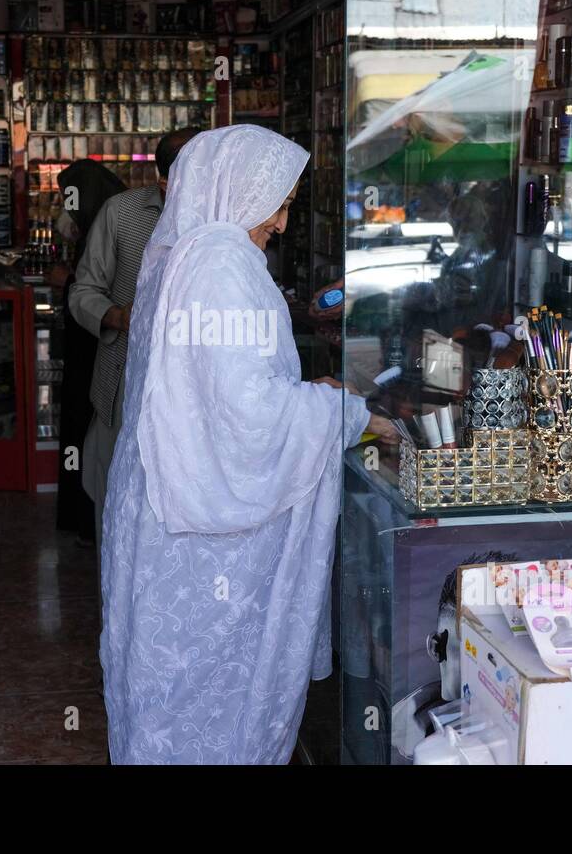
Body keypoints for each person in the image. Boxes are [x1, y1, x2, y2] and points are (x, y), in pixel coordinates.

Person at [100, 125, 399, 764]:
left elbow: (212, 384)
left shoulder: (177, 250)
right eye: (280, 202)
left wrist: (305, 391)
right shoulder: (220, 259)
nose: (285, 224)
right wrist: (344, 411)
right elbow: (248, 417)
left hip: (161, 509)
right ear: (239, 190)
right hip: (207, 538)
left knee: (166, 691)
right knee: (208, 700)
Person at [68, 128, 200, 544]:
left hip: (197, 378)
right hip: (126, 374)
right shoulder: (120, 213)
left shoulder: (225, 218)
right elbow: (83, 290)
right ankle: (117, 592)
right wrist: (116, 315)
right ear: (164, 179)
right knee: (119, 494)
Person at [51, 160, 127, 544]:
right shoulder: (110, 218)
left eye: (69, 198)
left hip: (101, 353)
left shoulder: (113, 225)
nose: (65, 208)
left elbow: (98, 297)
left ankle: (88, 519)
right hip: (95, 349)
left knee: (90, 430)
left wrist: (67, 284)